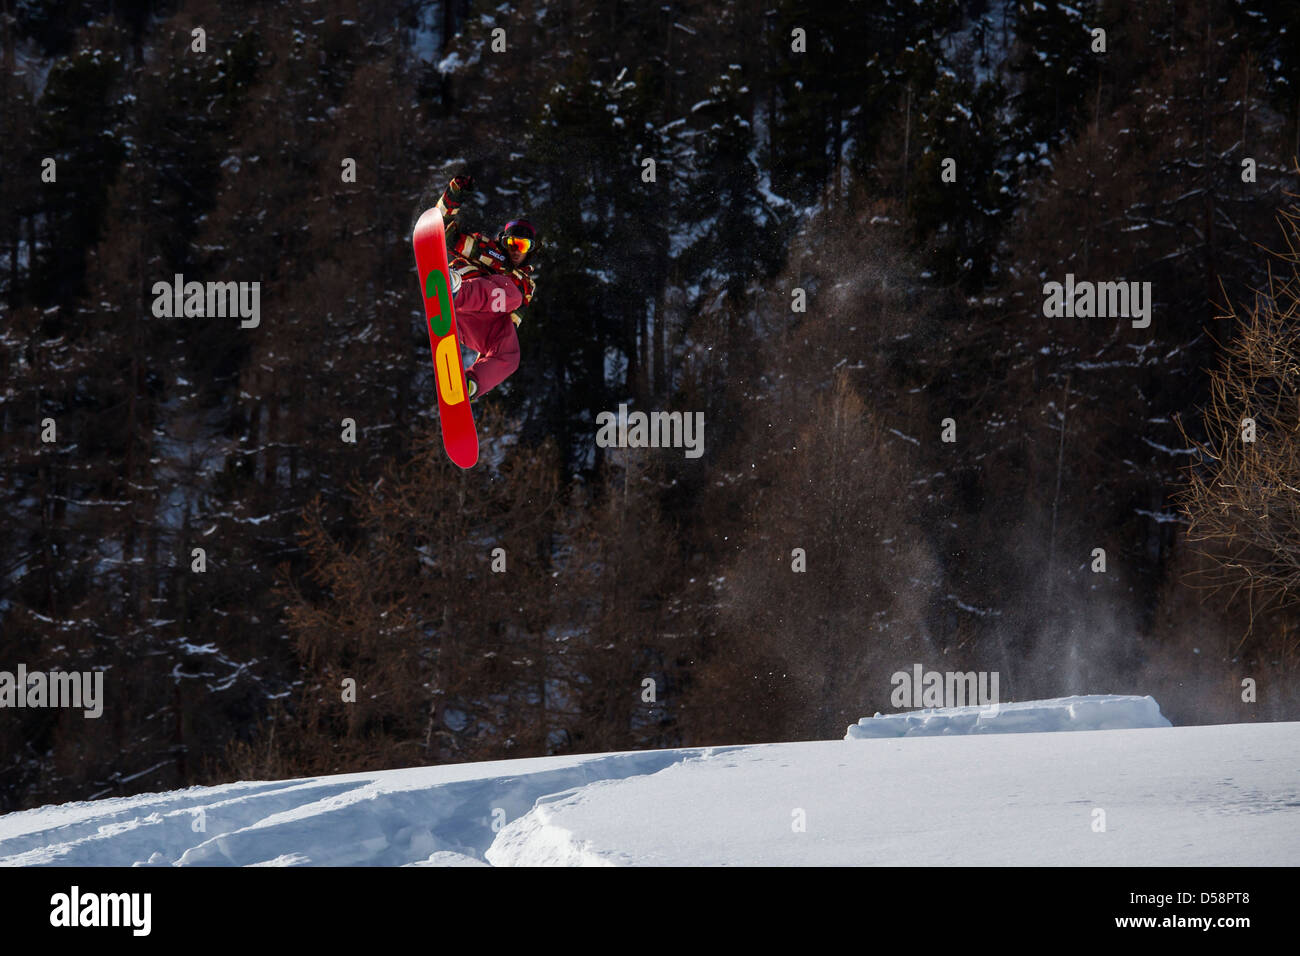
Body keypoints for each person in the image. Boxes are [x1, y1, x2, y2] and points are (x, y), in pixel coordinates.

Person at [435, 174, 537, 399]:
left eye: (523, 245)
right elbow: (441, 233)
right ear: (503, 241)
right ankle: (455, 292)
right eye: (511, 242)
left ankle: (470, 385)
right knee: (508, 289)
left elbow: (505, 329)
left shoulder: (527, 285)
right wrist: (454, 195)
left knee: (510, 355)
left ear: (531, 249)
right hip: (464, 293)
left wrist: (482, 365)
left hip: (475, 326)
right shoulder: (485, 249)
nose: (516, 249)